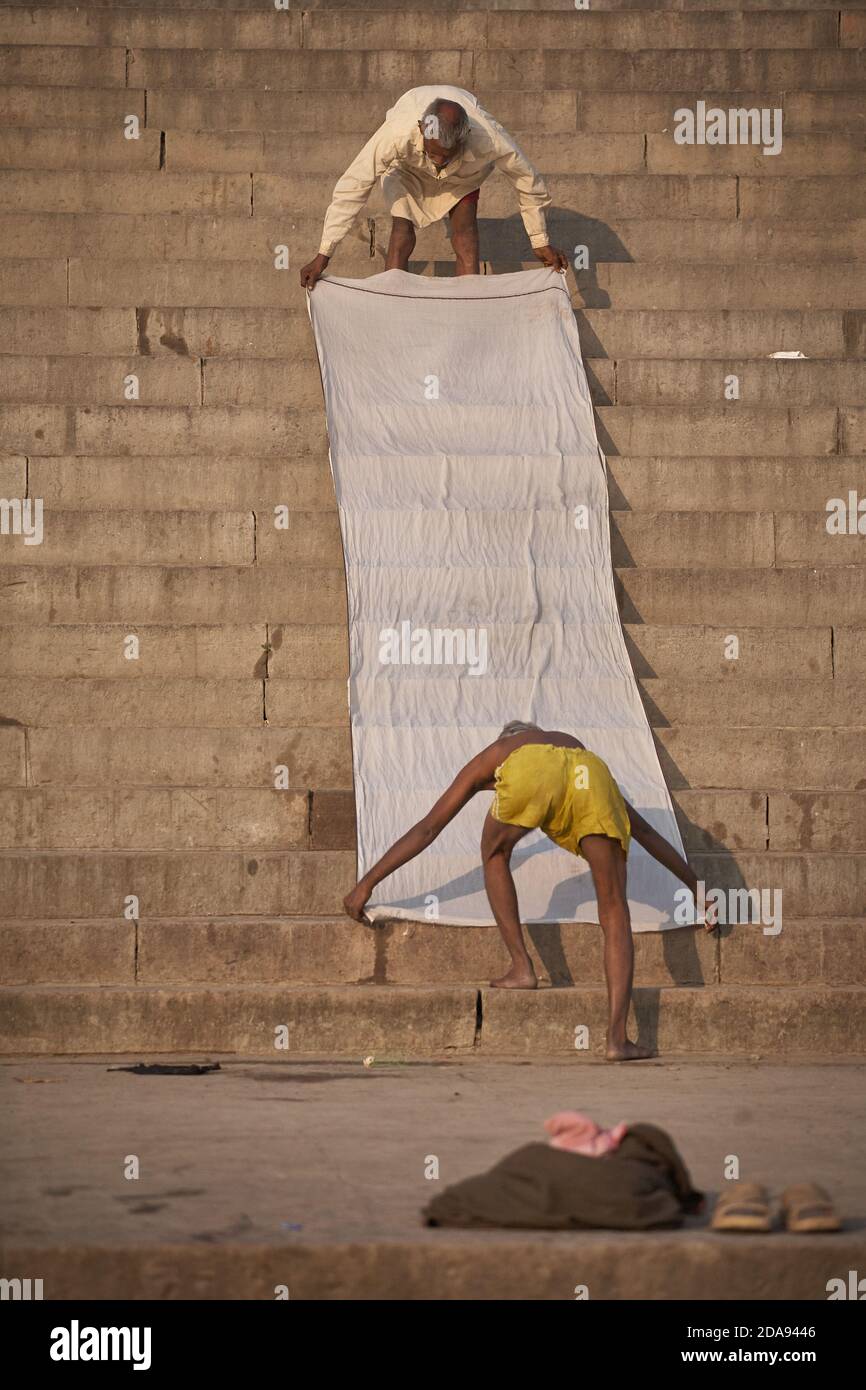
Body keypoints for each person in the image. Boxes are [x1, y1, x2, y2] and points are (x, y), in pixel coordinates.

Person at [343, 721, 718, 1062]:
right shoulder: (571, 747)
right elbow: (648, 834)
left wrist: (366, 884)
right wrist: (698, 890)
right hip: (594, 773)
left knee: (494, 852)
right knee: (615, 909)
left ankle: (522, 967)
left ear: (509, 741)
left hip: (536, 773)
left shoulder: (502, 752)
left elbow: (428, 828)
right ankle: (617, 1040)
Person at [299, 85, 568, 288]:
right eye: (434, 153)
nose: (438, 163)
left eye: (445, 154)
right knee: (402, 230)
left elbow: (528, 181)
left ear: (465, 139)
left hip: (462, 174)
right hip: (408, 169)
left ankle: (468, 304)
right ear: (420, 129)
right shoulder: (397, 133)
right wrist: (324, 254)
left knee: (465, 231)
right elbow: (353, 186)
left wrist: (539, 241)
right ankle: (392, 301)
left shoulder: (488, 137)